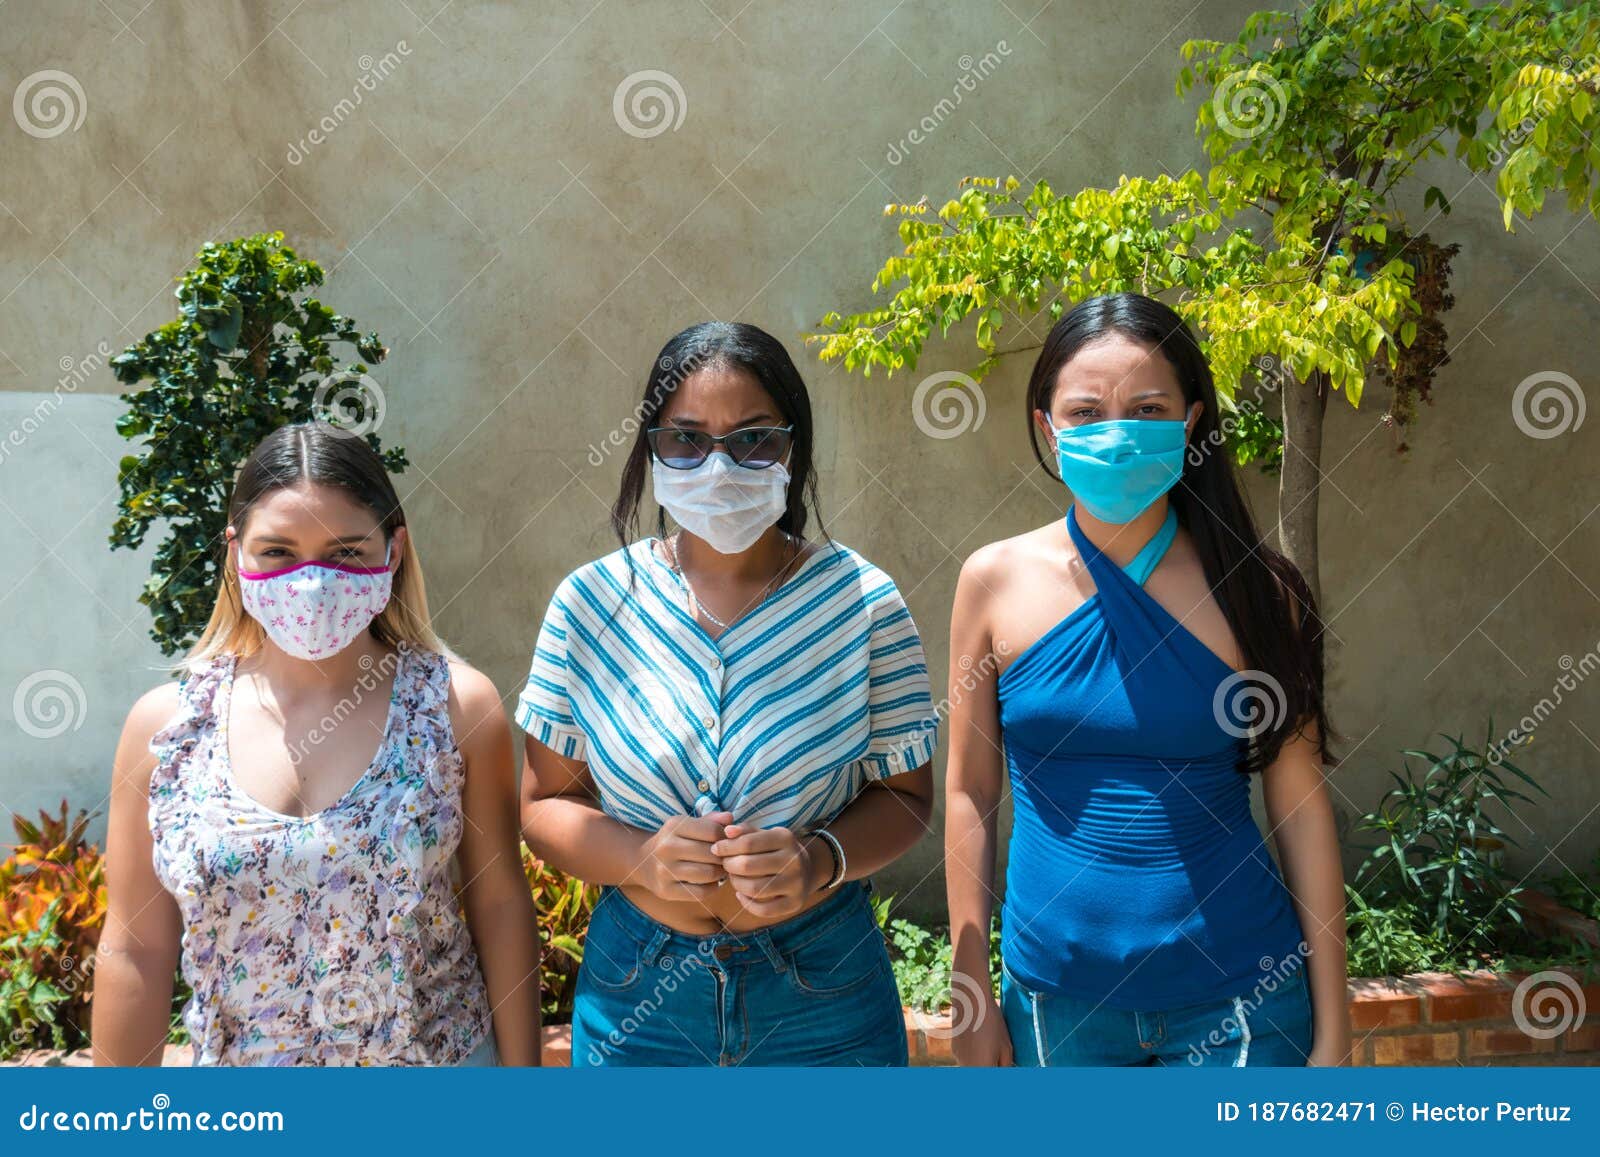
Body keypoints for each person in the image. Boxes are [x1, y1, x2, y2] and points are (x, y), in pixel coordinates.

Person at [518, 321, 940, 1066]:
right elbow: (543, 803)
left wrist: (820, 859)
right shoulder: (590, 604)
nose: (717, 465)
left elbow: (907, 795)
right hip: (637, 1000)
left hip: (823, 994)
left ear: (792, 449)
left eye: (753, 439)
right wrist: (641, 856)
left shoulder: (863, 603)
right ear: (651, 448)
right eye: (685, 439)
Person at [944, 293, 1349, 1067]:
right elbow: (969, 790)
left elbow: (1298, 804)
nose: (1116, 431)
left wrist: (1335, 1030)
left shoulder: (1259, 590)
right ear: (1047, 428)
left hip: (1242, 1008)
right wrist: (971, 990)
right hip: (1053, 1007)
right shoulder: (991, 583)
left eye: (1147, 407)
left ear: (1191, 422)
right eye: (1087, 411)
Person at [94, 422, 540, 1066]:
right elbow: (137, 947)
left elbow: (499, 904)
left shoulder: (456, 708)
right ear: (235, 554)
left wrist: (524, 1103)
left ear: (394, 550)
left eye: (346, 552)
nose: (312, 580)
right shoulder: (167, 729)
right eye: (277, 551)